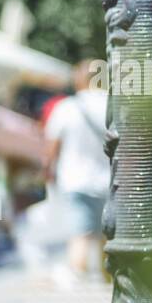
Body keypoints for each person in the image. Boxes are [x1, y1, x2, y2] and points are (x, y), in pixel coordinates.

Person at [43, 61, 110, 282]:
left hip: (75, 181)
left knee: (80, 235)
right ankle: (106, 283)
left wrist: (47, 172)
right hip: (109, 181)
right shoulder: (113, 105)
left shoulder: (66, 107)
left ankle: (77, 281)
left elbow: (51, 148)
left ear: (80, 80)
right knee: (107, 235)